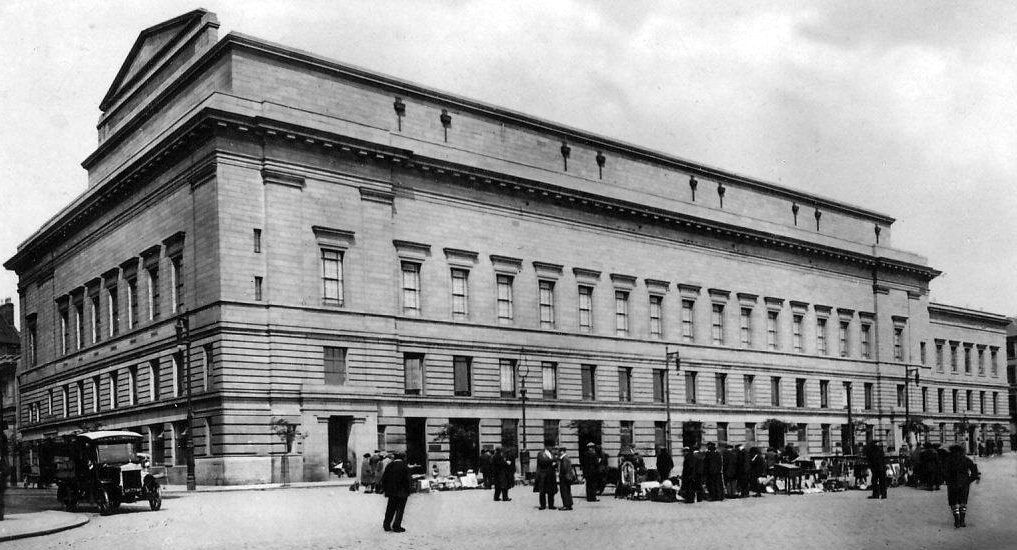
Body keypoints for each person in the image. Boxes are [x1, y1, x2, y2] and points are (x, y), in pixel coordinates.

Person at [943, 444, 980, 528]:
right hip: (964, 484)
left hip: (952, 483)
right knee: (963, 502)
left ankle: (956, 521)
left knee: (954, 502)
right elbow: (975, 472)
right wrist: (969, 480)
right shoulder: (966, 460)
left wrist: (947, 480)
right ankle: (962, 520)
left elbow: (943, 471)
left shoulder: (948, 460)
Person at [380, 452, 412, 533]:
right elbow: (408, 480)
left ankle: (386, 525)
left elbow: (384, 478)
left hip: (391, 491)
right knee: (400, 510)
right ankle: (396, 526)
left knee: (390, 508)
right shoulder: (405, 466)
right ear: (403, 458)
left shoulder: (390, 465)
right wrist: (409, 490)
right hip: (402, 491)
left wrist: (385, 489)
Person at [533, 444, 558, 510]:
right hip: (543, 475)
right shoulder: (541, 454)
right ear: (546, 447)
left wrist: (555, 464)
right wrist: (552, 461)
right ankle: (543, 505)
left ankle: (551, 505)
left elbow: (556, 462)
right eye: (550, 446)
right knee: (542, 491)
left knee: (551, 491)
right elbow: (542, 462)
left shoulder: (552, 454)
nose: (551, 447)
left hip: (551, 475)